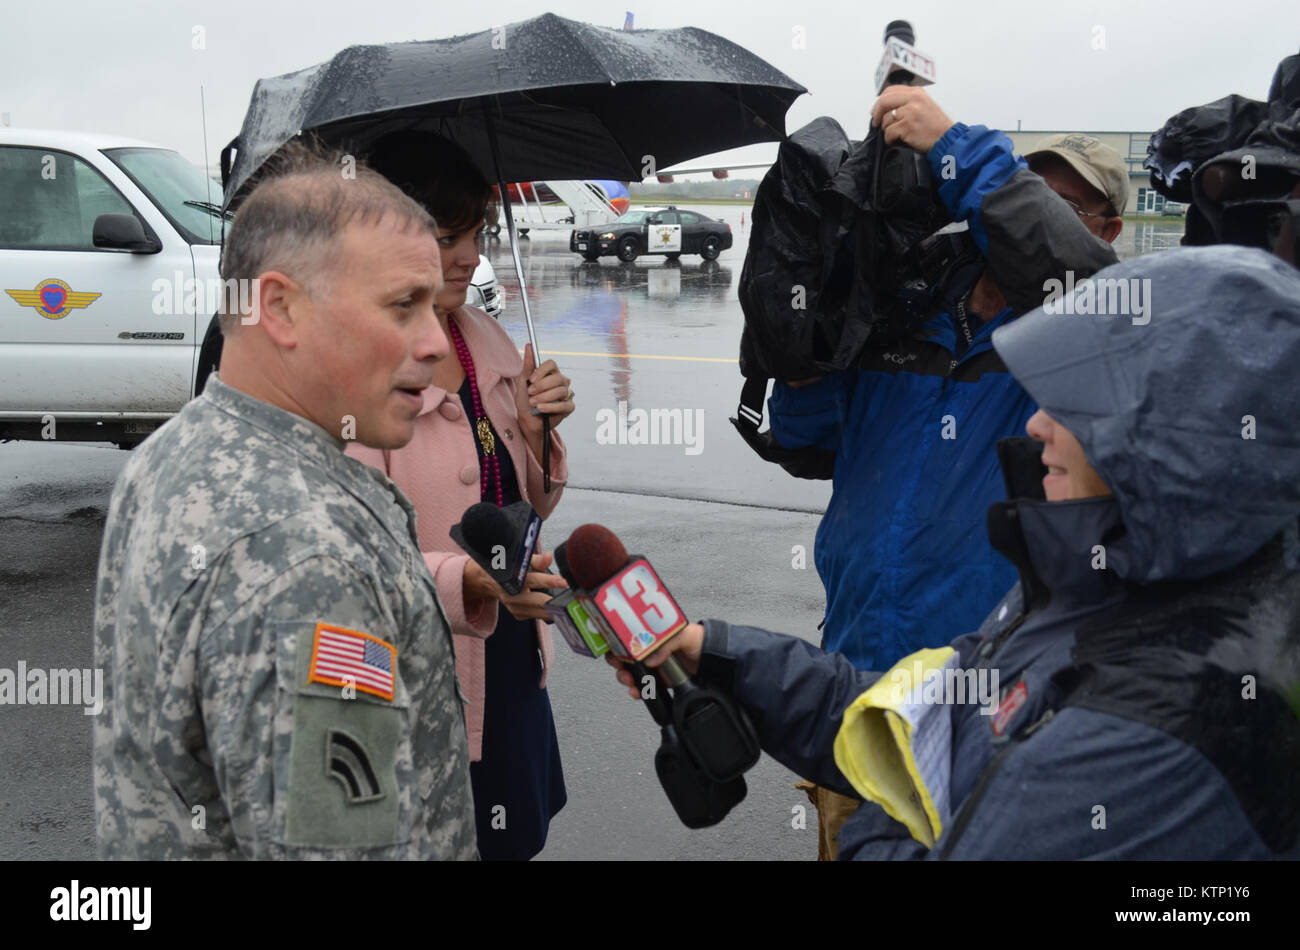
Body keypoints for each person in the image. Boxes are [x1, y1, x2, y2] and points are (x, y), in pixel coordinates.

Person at [612, 245, 1300, 859]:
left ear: (1175, 439)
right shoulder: (1094, 589)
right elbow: (921, 709)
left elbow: (925, 771)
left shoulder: (1141, 727)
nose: (1035, 423)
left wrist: (879, 820)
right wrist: (721, 656)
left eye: (1079, 402)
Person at [769, 85, 1128, 858]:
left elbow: (1082, 278)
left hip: (990, 698)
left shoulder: (1082, 346)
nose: (1029, 219)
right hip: (857, 668)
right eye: (1028, 197)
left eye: (1061, 207)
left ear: (1107, 231)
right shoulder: (906, 309)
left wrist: (960, 145)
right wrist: (799, 358)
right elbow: (813, 442)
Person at [93, 141, 478, 859]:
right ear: (280, 307)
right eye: (404, 305)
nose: (433, 342)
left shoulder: (172, 455)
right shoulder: (306, 556)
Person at [348, 133, 574, 860]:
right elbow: (351, 561)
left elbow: (531, 507)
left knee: (511, 839)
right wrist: (465, 580)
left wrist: (541, 432)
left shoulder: (485, 342)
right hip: (414, 670)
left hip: (508, 650)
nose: (470, 254)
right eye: (447, 236)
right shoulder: (357, 369)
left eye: (476, 231)